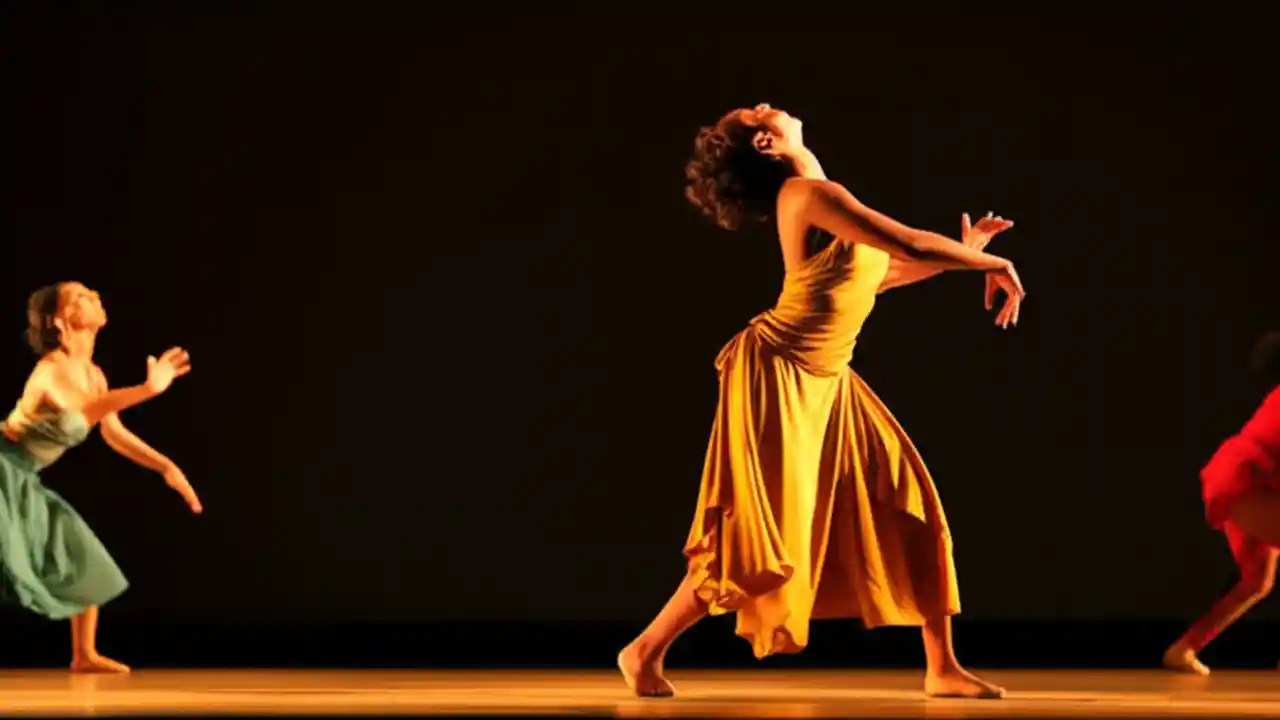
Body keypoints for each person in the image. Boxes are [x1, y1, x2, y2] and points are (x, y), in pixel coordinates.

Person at [617, 104, 1025, 700]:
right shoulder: (809, 193)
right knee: (757, 535)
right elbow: (906, 240)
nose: (769, 103)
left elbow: (880, 274)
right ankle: (645, 649)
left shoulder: (817, 200)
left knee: (906, 497)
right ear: (765, 140)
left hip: (828, 379)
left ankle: (941, 667)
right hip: (778, 373)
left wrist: (962, 254)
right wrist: (991, 261)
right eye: (757, 110)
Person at [0, 281, 200, 673]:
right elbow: (82, 410)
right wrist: (147, 389)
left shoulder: (93, 375)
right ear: (59, 320)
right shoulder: (50, 371)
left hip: (24, 475)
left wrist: (167, 467)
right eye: (79, 297)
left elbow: (113, 432)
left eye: (91, 292)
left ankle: (84, 654)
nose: (93, 297)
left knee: (75, 546)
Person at [1164, 331, 1280, 675]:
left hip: (1249, 481)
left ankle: (1184, 648)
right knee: (1257, 580)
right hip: (1248, 480)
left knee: (1257, 581)